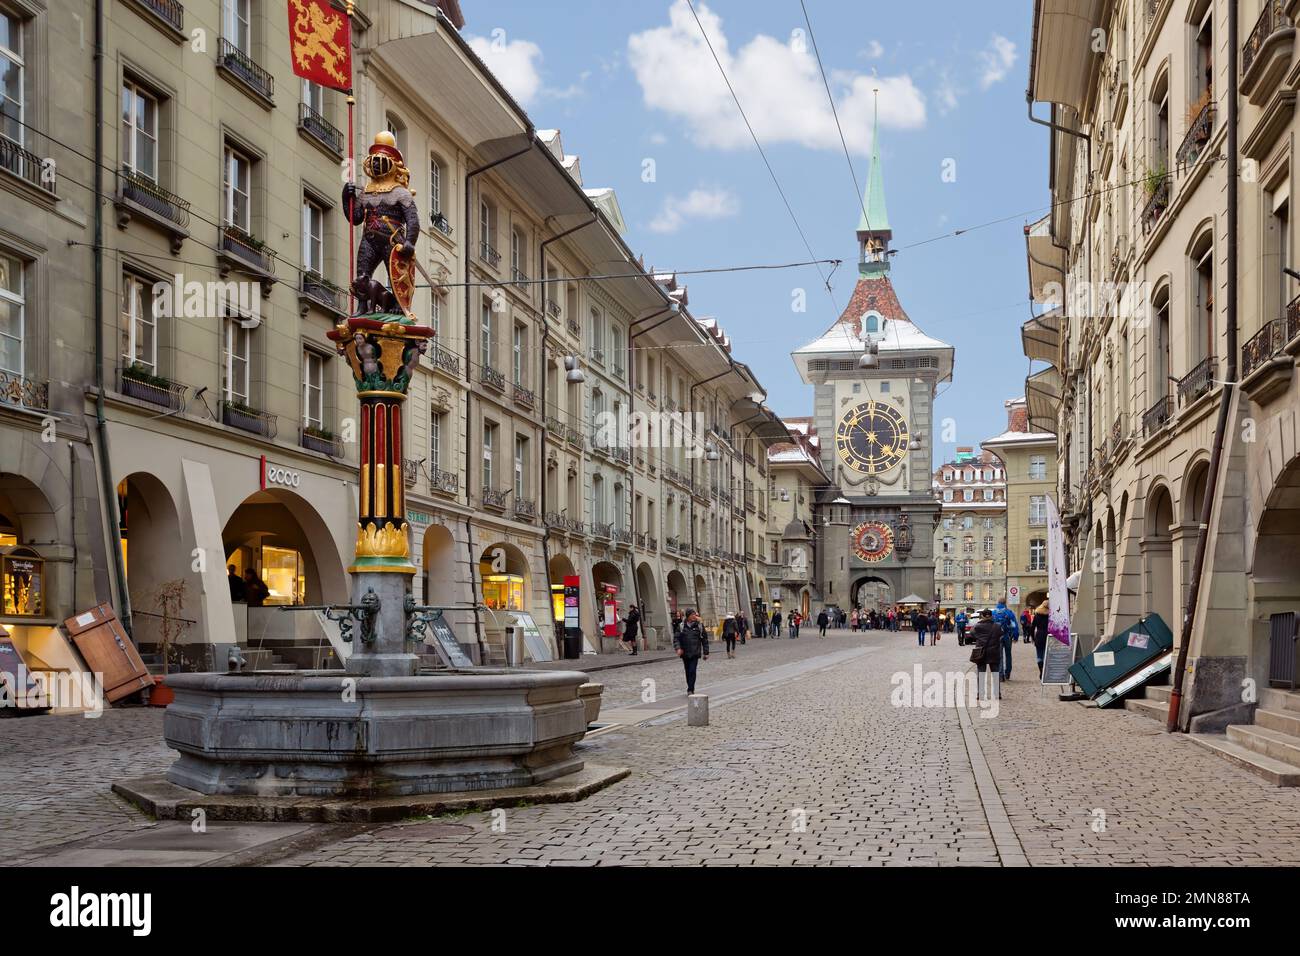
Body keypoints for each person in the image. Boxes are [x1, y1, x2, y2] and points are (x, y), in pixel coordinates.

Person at [969, 608, 1003, 701]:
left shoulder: (977, 626)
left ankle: (980, 693)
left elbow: (972, 635)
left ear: (982, 616)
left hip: (981, 652)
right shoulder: (997, 626)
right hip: (994, 652)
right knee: (995, 673)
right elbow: (1001, 634)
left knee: (981, 672)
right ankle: (997, 693)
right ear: (991, 616)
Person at [673, 608, 709, 694]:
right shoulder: (681, 626)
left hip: (695, 652)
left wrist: (706, 652)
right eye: (692, 615)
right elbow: (676, 638)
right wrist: (678, 648)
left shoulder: (699, 626)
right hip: (685, 653)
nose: (694, 616)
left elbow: (704, 640)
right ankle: (689, 685)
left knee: (692, 670)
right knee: (687, 671)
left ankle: (690, 689)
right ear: (688, 616)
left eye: (695, 615)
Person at [992, 598, 1020, 680]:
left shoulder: (993, 613)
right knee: (1008, 655)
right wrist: (1016, 636)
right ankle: (1008, 673)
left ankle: (1001, 675)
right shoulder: (1009, 612)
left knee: (999, 656)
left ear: (998, 602)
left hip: (997, 637)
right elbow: (1014, 625)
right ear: (1005, 603)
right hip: (1007, 636)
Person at [1032, 600, 1050, 675]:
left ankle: (1041, 670)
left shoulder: (1037, 615)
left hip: (1039, 636)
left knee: (1039, 655)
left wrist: (1033, 638)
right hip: (1048, 636)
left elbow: (1032, 627)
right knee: (1047, 654)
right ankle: (1046, 672)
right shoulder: (1051, 615)